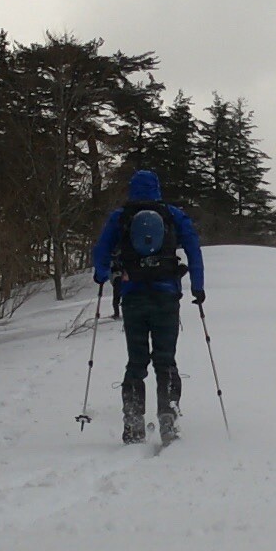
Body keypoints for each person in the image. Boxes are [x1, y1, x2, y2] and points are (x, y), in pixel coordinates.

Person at [92, 170, 205, 444]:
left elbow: (101, 252)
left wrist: (102, 273)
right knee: (165, 360)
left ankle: (133, 423)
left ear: (132, 189)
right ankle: (168, 418)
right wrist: (197, 286)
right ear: (157, 188)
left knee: (136, 361)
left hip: (133, 298)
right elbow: (193, 248)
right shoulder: (173, 215)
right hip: (166, 297)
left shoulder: (121, 217)